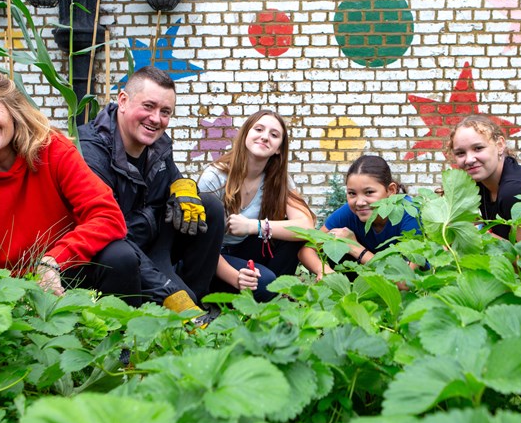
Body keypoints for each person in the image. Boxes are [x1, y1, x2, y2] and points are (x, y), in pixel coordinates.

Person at [0, 64, 140, 302]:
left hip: (63, 278)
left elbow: (107, 216)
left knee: (120, 256)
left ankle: (119, 334)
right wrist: (13, 298)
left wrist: (52, 261)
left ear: (11, 110)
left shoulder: (52, 151)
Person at [79, 65, 223, 319]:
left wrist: (184, 185)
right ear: (123, 100)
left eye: (165, 112)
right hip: (111, 256)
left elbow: (171, 179)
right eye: (148, 106)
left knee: (207, 206)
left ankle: (196, 304)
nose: (156, 119)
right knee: (119, 254)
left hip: (152, 245)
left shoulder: (157, 144)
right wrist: (168, 292)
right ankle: (132, 326)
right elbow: (111, 231)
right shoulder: (89, 153)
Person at [198, 109, 321, 302]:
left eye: (274, 135)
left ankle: (269, 294)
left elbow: (306, 226)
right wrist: (235, 277)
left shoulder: (278, 180)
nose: (265, 137)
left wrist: (254, 226)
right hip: (212, 259)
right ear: (246, 133)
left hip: (245, 251)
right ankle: (253, 292)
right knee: (266, 282)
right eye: (259, 129)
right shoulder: (215, 177)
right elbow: (196, 245)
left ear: (279, 148)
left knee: (293, 237)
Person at [447, 114, 521, 241]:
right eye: (460, 153)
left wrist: (480, 234)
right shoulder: (479, 183)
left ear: (500, 145)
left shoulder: (515, 191)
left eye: (478, 148)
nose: (469, 160)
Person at [321, 154, 421, 267]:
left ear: (391, 190)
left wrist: (355, 247)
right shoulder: (350, 212)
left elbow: (406, 281)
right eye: (352, 193)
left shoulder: (410, 213)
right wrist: (323, 271)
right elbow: (309, 247)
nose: (359, 202)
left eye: (369, 192)